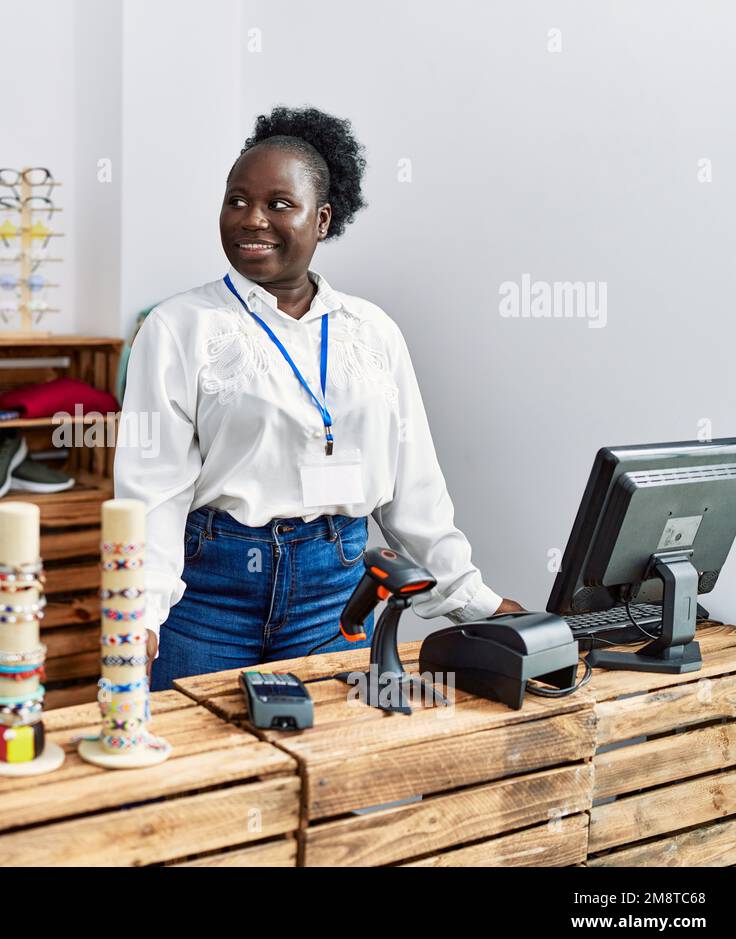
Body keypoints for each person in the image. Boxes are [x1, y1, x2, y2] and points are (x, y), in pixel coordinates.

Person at [114, 106, 523, 692]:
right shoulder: (179, 327)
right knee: (208, 778)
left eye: (279, 204)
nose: (251, 220)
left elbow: (414, 490)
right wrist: (140, 614)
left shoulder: (373, 330)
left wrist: (473, 600)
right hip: (210, 600)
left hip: (337, 601)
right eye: (236, 201)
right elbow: (152, 490)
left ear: (322, 219)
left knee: (335, 776)